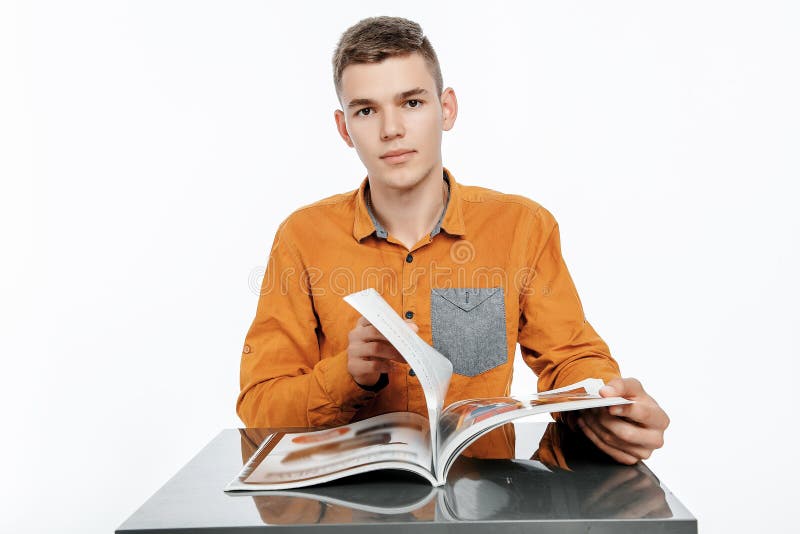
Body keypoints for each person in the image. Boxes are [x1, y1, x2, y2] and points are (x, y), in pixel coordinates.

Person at [237, 16, 669, 464]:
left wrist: (606, 402)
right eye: (366, 110)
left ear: (446, 109)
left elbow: (570, 358)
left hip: (479, 508)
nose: (391, 129)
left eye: (411, 103)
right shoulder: (301, 238)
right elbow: (258, 409)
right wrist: (347, 375)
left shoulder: (523, 227)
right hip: (349, 509)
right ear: (345, 128)